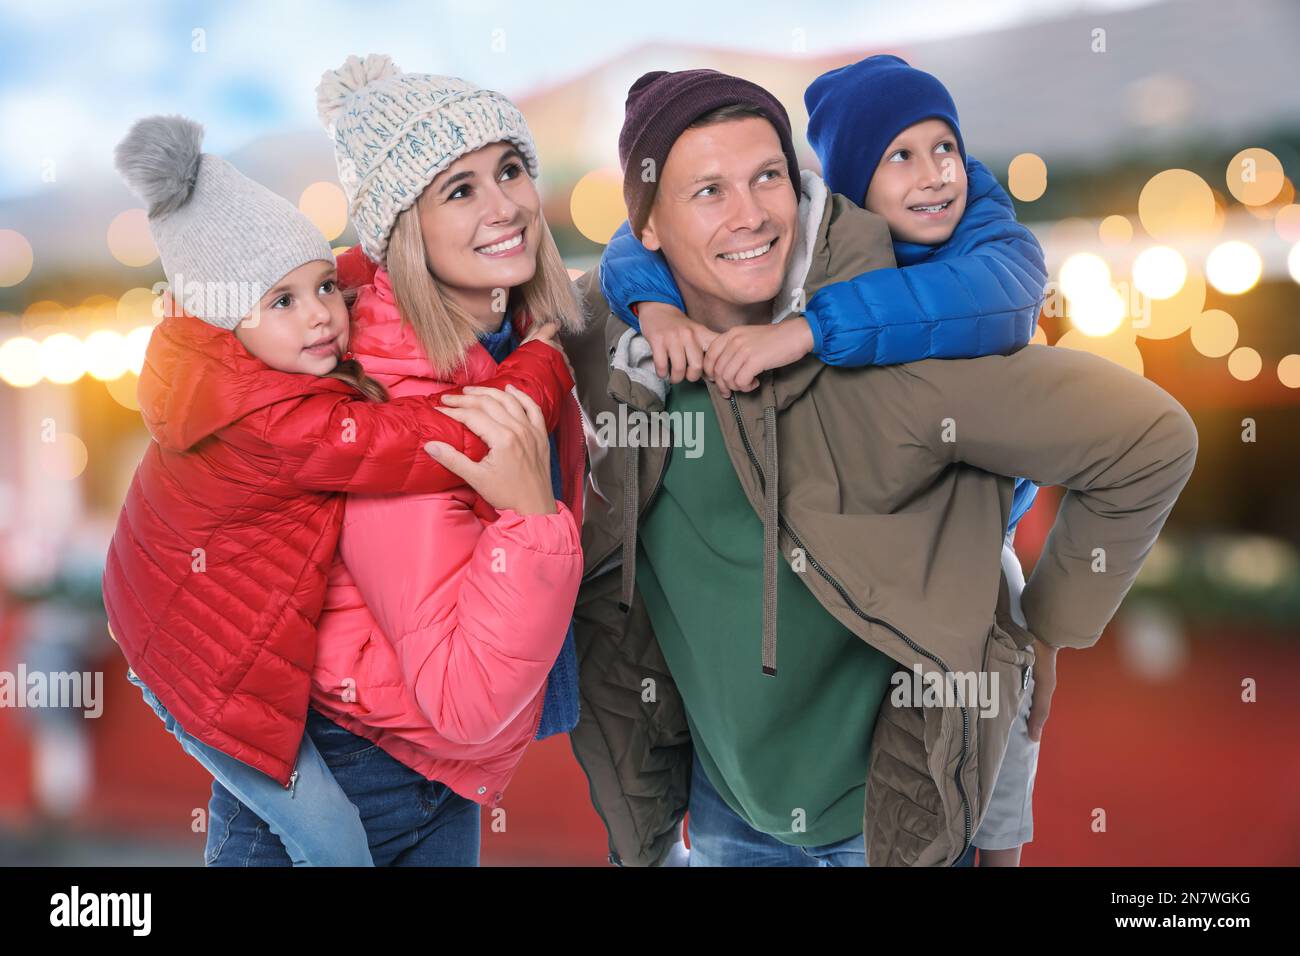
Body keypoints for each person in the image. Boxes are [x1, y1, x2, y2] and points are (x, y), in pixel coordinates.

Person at [562, 68, 1197, 867]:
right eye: (709, 190)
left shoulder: (900, 346)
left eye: (768, 177)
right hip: (723, 810)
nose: (751, 213)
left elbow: (1150, 441)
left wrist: (1048, 629)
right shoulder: (608, 344)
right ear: (648, 225)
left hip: (888, 824)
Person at [102, 113, 574, 866]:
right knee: (333, 842)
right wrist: (541, 360)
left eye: (323, 286)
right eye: (282, 301)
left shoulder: (256, 362)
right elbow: (440, 442)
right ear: (227, 323)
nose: (323, 314)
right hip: (193, 670)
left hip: (181, 623)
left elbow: (358, 267)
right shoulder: (277, 421)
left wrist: (394, 234)